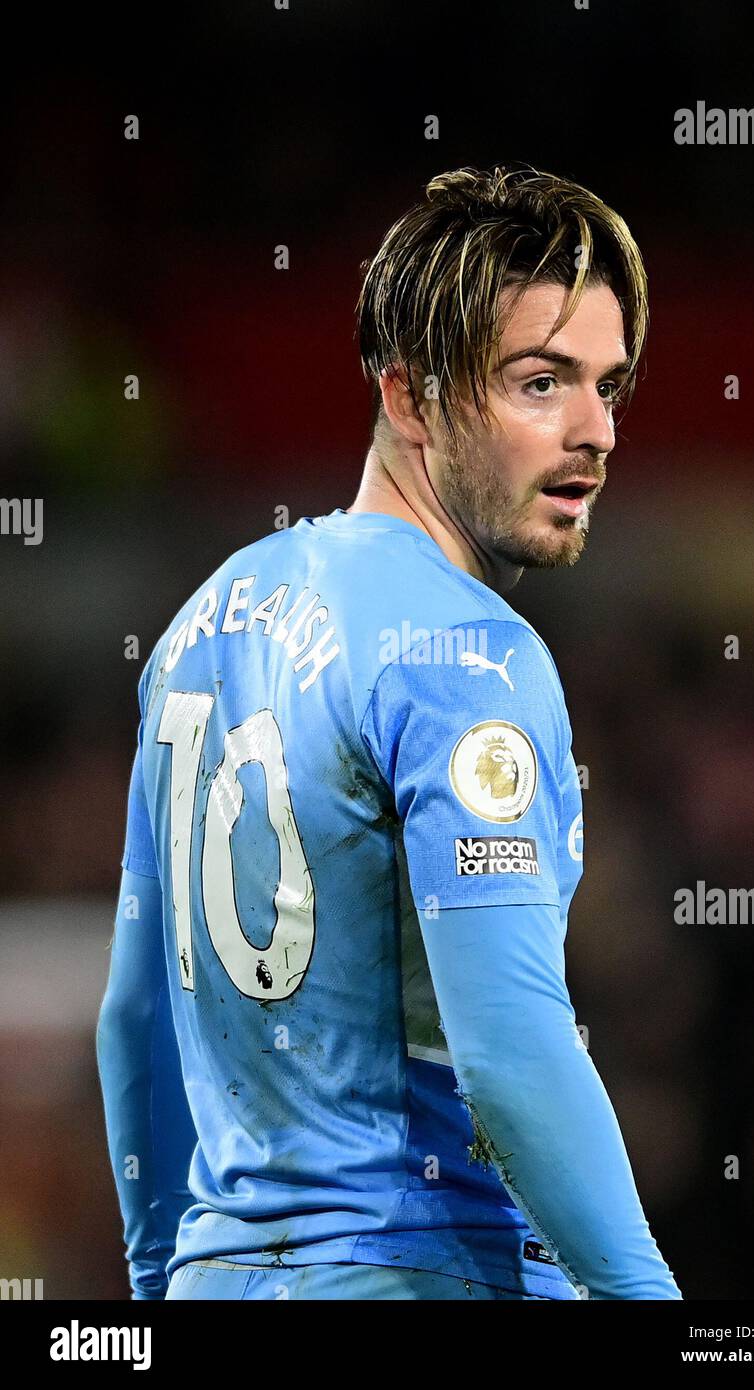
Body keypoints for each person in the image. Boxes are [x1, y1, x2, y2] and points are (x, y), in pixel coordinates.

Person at [97, 162, 682, 1301]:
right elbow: (512, 1059)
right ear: (409, 397)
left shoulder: (196, 627)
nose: (596, 430)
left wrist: (161, 1280)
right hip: (426, 1267)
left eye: (608, 385)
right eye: (538, 381)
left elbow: (133, 1021)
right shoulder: (466, 652)